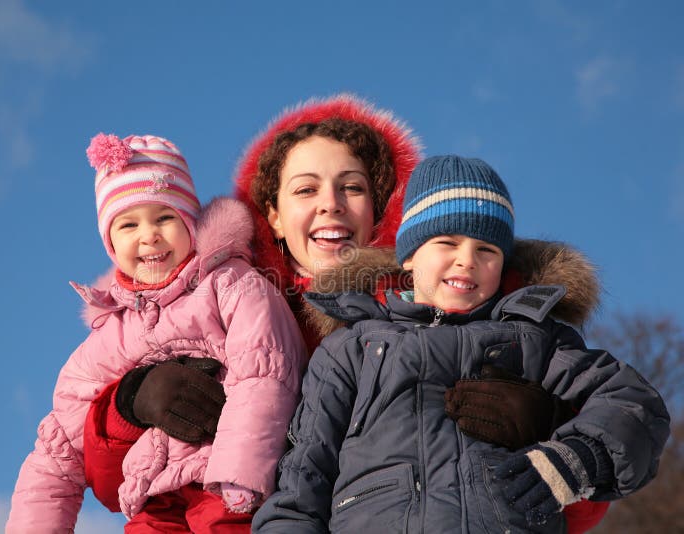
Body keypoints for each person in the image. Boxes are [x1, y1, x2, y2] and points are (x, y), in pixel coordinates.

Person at [81, 95, 611, 532]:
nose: (331, 203)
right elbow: (108, 485)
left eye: (352, 187)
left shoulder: (447, 312)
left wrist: (547, 427)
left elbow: (586, 493)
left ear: (381, 210)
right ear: (274, 214)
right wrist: (129, 405)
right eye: (306, 188)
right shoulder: (204, 306)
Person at [251, 155, 671, 533]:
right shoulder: (353, 347)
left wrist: (576, 456)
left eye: (486, 249)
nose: (467, 260)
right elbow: (305, 475)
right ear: (410, 256)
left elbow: (632, 402)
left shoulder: (532, 338)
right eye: (447, 243)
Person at [6, 133, 307, 533]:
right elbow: (58, 450)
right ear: (110, 243)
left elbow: (264, 371)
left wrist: (239, 474)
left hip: (224, 482)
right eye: (129, 224)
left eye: (164, 217)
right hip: (154, 495)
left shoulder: (229, 285)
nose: (148, 235)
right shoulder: (110, 334)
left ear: (190, 223)